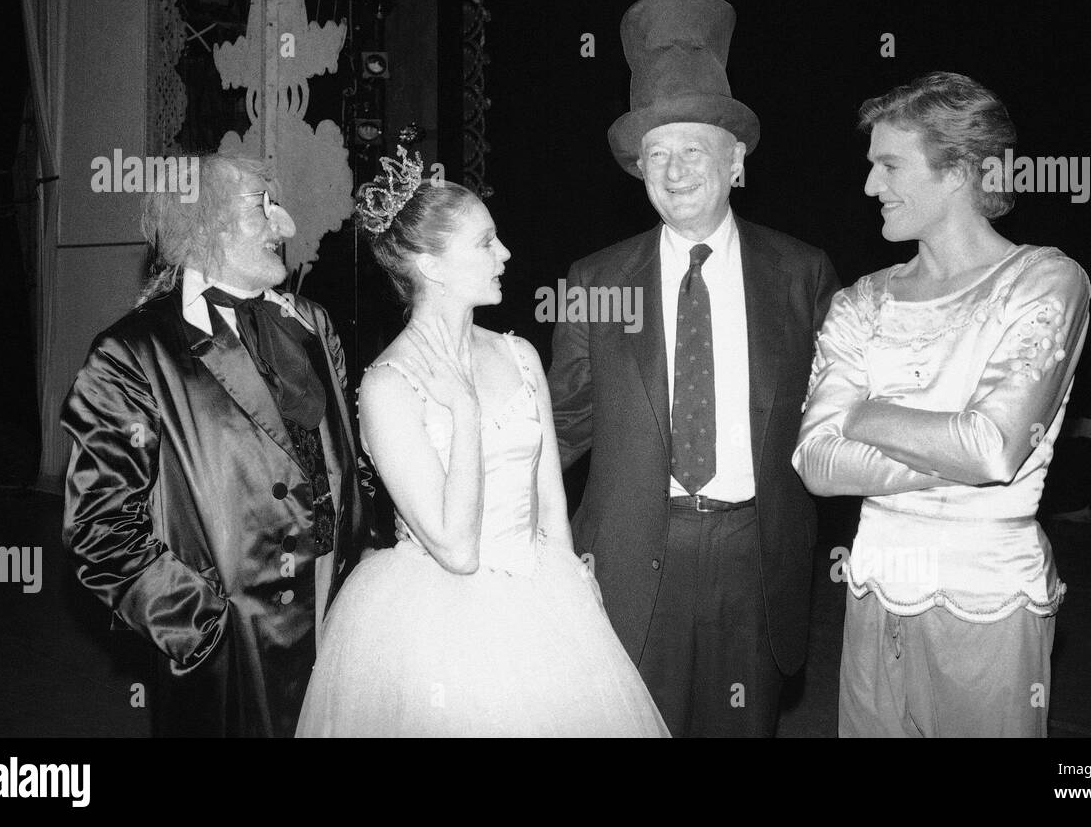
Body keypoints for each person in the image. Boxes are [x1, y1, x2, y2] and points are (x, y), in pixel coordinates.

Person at [548, 0, 841, 737]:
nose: (674, 171)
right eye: (656, 153)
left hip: (757, 561)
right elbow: (561, 429)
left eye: (694, 150)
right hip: (632, 561)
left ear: (736, 159)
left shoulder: (803, 276)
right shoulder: (594, 282)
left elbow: (840, 422)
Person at [296, 149, 668, 737]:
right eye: (485, 242)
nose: (506, 254)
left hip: (543, 598)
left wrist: (574, 583)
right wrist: (464, 412)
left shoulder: (520, 355)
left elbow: (551, 499)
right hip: (439, 624)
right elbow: (457, 549)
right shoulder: (387, 386)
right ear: (432, 266)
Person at [794, 72, 1091, 737]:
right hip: (874, 590)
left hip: (989, 597)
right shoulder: (859, 300)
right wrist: (952, 441)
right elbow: (816, 461)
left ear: (956, 170)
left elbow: (992, 447)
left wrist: (867, 416)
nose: (871, 186)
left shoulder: (1045, 280)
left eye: (889, 165)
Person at [61, 154, 372, 737]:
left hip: (341, 621)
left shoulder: (313, 322)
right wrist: (207, 627)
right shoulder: (132, 353)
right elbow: (100, 532)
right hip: (236, 652)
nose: (285, 225)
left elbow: (345, 466)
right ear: (199, 221)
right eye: (262, 206)